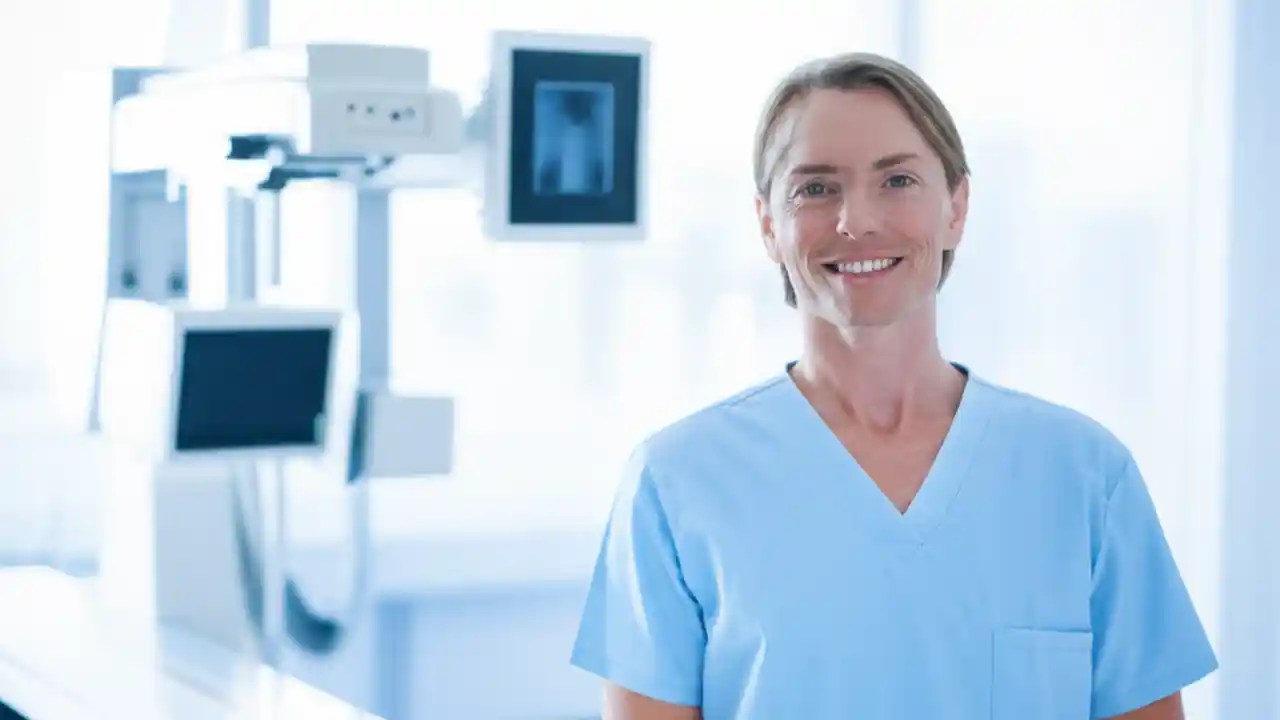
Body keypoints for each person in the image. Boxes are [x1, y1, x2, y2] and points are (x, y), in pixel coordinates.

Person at [569, 52, 1218, 719]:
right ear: (769, 225)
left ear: (957, 207)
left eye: (898, 179)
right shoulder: (677, 482)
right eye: (815, 188)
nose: (857, 221)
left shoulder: (1082, 476)